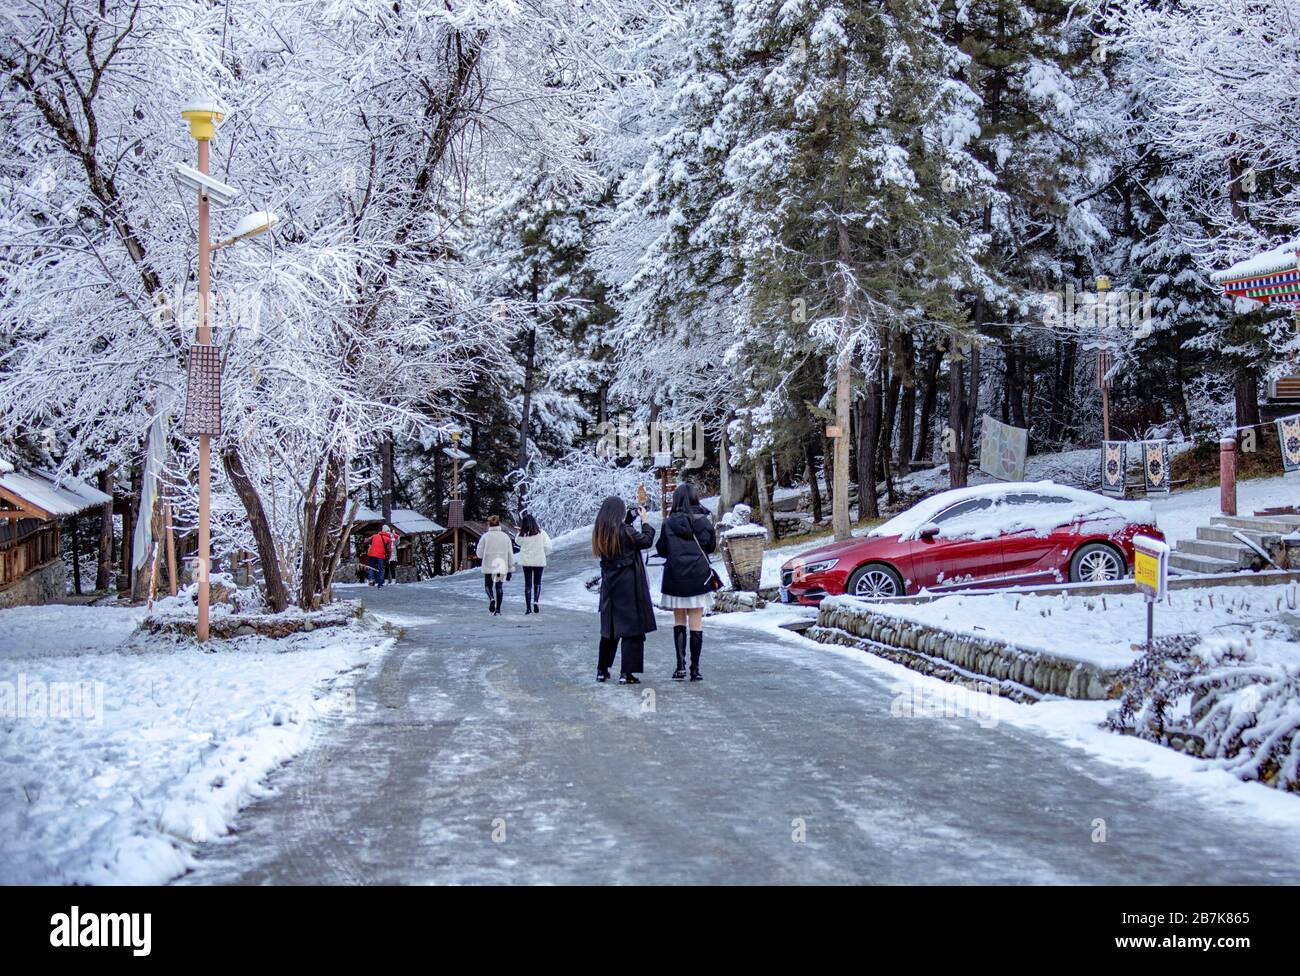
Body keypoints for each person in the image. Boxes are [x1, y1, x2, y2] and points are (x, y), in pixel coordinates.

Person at [655, 482, 716, 681]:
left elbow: (661, 549)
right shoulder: (704, 521)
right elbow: (711, 546)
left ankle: (680, 666)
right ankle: (695, 670)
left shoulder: (668, 523)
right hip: (698, 577)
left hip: (675, 578)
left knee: (679, 621)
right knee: (696, 623)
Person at [593, 496, 656, 684]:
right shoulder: (626, 532)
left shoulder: (601, 532)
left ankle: (602, 670)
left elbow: (624, 534)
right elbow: (646, 541)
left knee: (609, 631)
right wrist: (645, 522)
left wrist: (629, 519)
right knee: (632, 630)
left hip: (610, 588)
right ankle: (627, 672)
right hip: (630, 586)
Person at [476, 515, 515, 615]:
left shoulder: (485, 537)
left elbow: (479, 554)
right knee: (499, 587)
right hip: (501, 565)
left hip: (489, 564)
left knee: (488, 585)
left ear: (489, 524)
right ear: (499, 524)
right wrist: (510, 568)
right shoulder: (505, 537)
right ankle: (498, 609)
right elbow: (510, 553)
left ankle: (491, 598)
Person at [515, 512, 553, 615]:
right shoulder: (541, 533)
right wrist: (542, 552)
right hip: (539, 561)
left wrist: (520, 532)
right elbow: (548, 546)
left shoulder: (522, 535)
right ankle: (536, 601)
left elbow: (517, 542)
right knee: (537, 582)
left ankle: (528, 608)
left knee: (528, 584)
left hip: (526, 562)